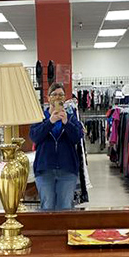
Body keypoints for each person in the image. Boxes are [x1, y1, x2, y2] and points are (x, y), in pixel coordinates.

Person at [29, 82, 84, 210]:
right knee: (47, 208)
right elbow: (34, 136)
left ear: (65, 98)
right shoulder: (40, 117)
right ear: (48, 98)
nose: (58, 98)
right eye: (54, 94)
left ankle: (64, 231)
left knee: (65, 208)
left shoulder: (71, 118)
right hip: (44, 170)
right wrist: (50, 122)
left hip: (67, 170)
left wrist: (66, 122)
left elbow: (77, 137)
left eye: (61, 95)